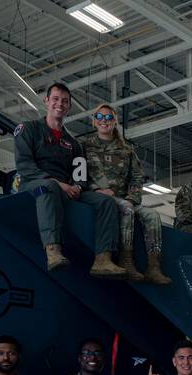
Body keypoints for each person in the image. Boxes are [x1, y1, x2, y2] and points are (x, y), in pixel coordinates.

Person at [14, 82, 126, 278]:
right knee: (48, 186)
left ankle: (103, 259)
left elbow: (80, 175)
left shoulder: (73, 143)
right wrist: (58, 183)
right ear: (46, 101)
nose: (60, 104)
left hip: (66, 189)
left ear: (69, 107)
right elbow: (25, 166)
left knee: (106, 202)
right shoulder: (28, 129)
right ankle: (53, 251)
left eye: (65, 101)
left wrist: (77, 187)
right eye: (56, 99)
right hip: (34, 185)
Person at [76, 102, 170, 284]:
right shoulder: (84, 147)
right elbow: (79, 176)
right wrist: (96, 190)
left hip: (124, 198)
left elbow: (136, 178)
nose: (104, 121)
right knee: (126, 209)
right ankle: (126, 261)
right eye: (100, 117)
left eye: (109, 117)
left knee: (152, 215)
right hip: (98, 197)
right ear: (94, 122)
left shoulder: (127, 150)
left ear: (114, 122)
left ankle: (153, 267)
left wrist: (132, 198)